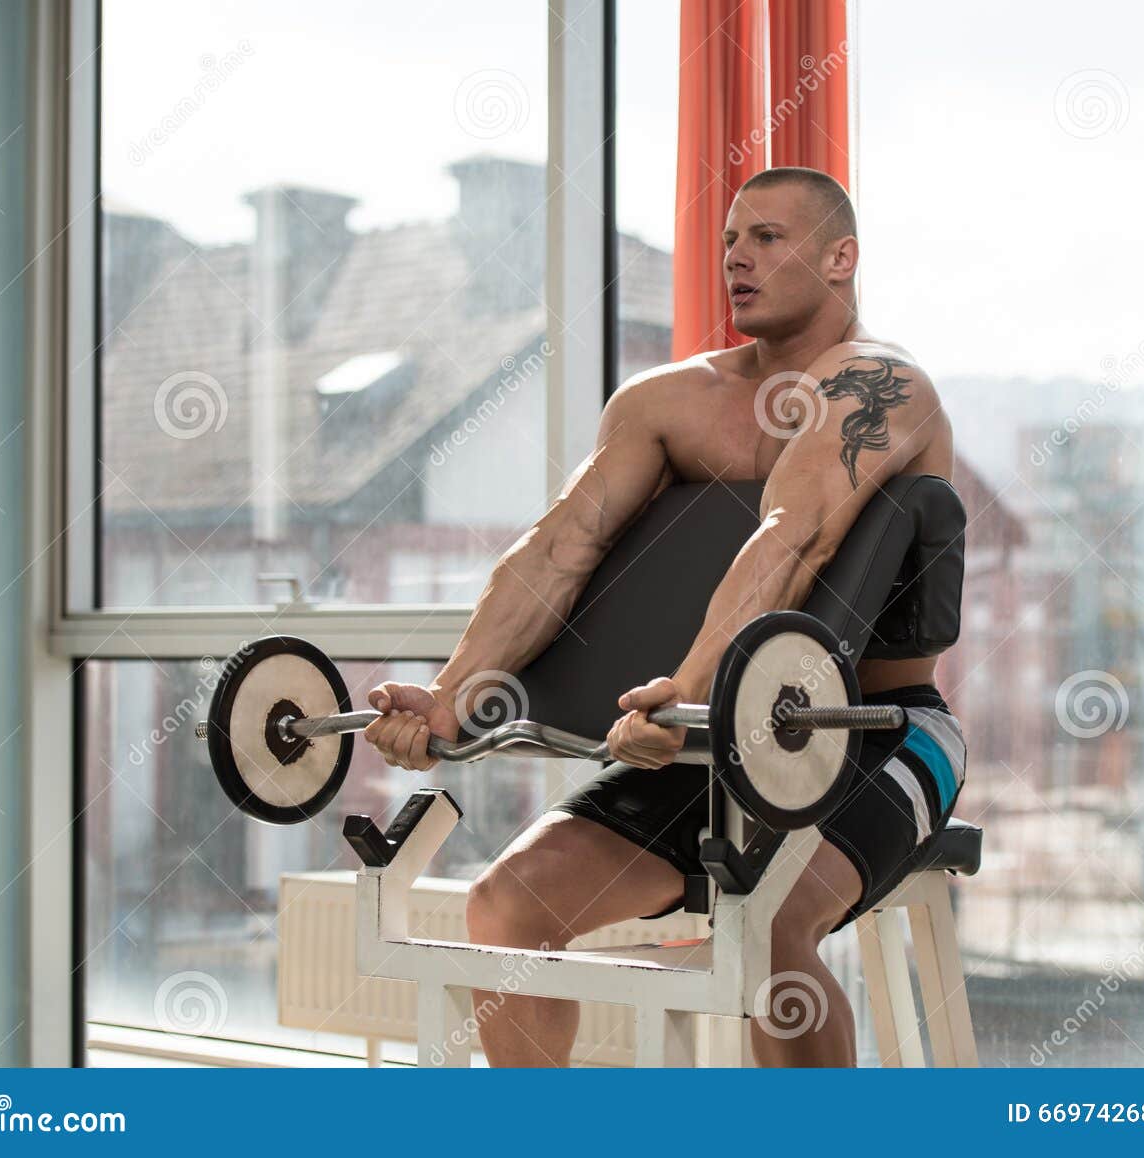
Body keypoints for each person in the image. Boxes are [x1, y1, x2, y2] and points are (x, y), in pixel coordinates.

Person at [364, 166, 965, 1066]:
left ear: (842, 257)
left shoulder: (882, 388)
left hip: (871, 736)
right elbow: (558, 548)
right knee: (505, 909)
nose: (737, 257)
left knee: (768, 935)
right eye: (729, 240)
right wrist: (454, 695)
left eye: (768, 237)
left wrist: (685, 694)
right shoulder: (664, 402)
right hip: (702, 752)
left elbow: (791, 537)